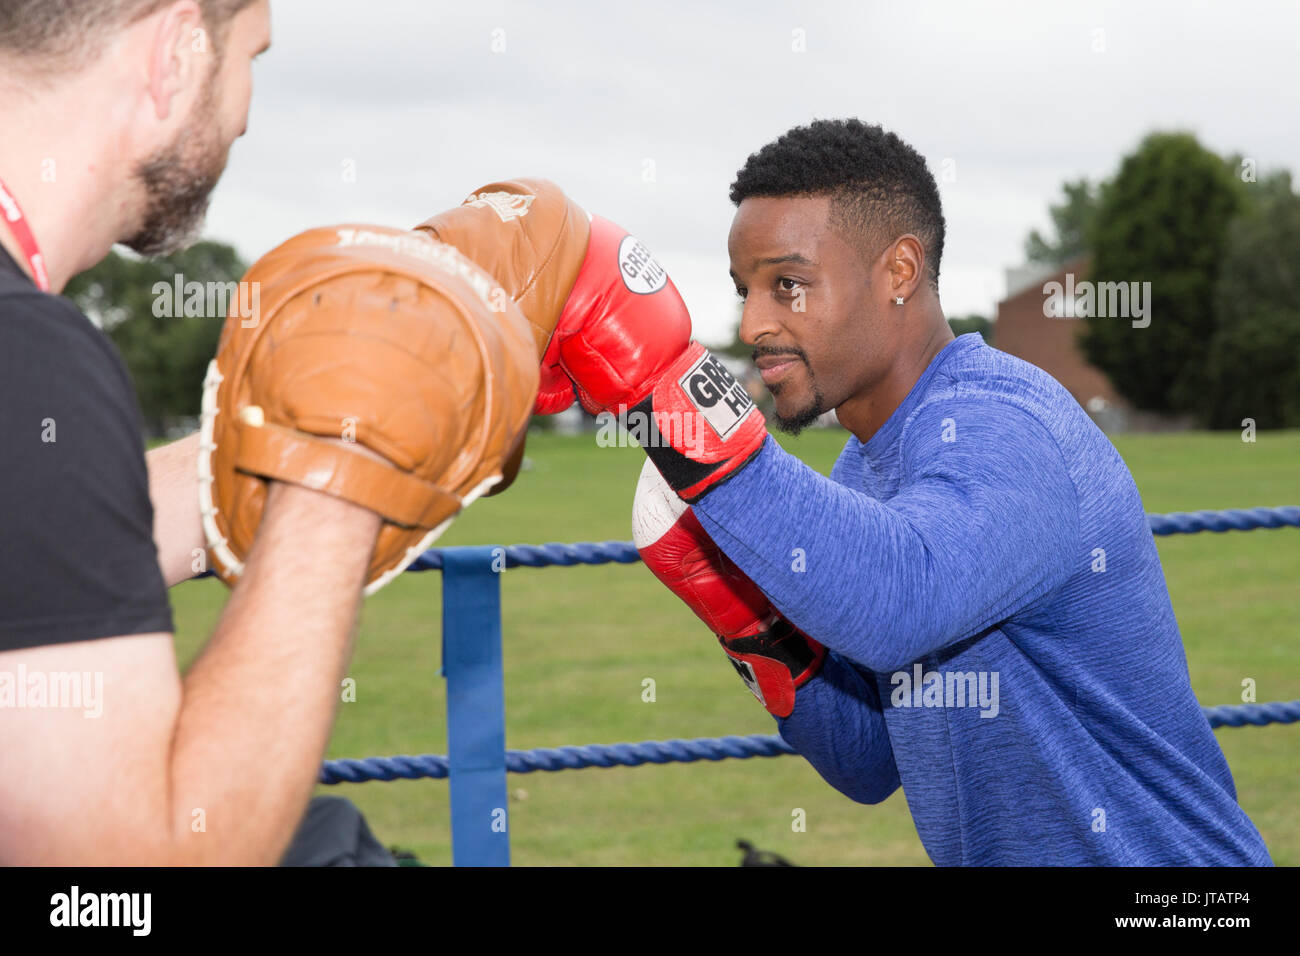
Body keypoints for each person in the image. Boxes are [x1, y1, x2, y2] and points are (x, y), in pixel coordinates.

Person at [541, 118, 1273, 866]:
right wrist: (749, 620)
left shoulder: (1007, 427)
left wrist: (666, 399)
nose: (754, 322)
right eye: (745, 291)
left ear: (898, 272)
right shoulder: (863, 474)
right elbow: (867, 760)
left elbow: (903, 601)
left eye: (787, 284)